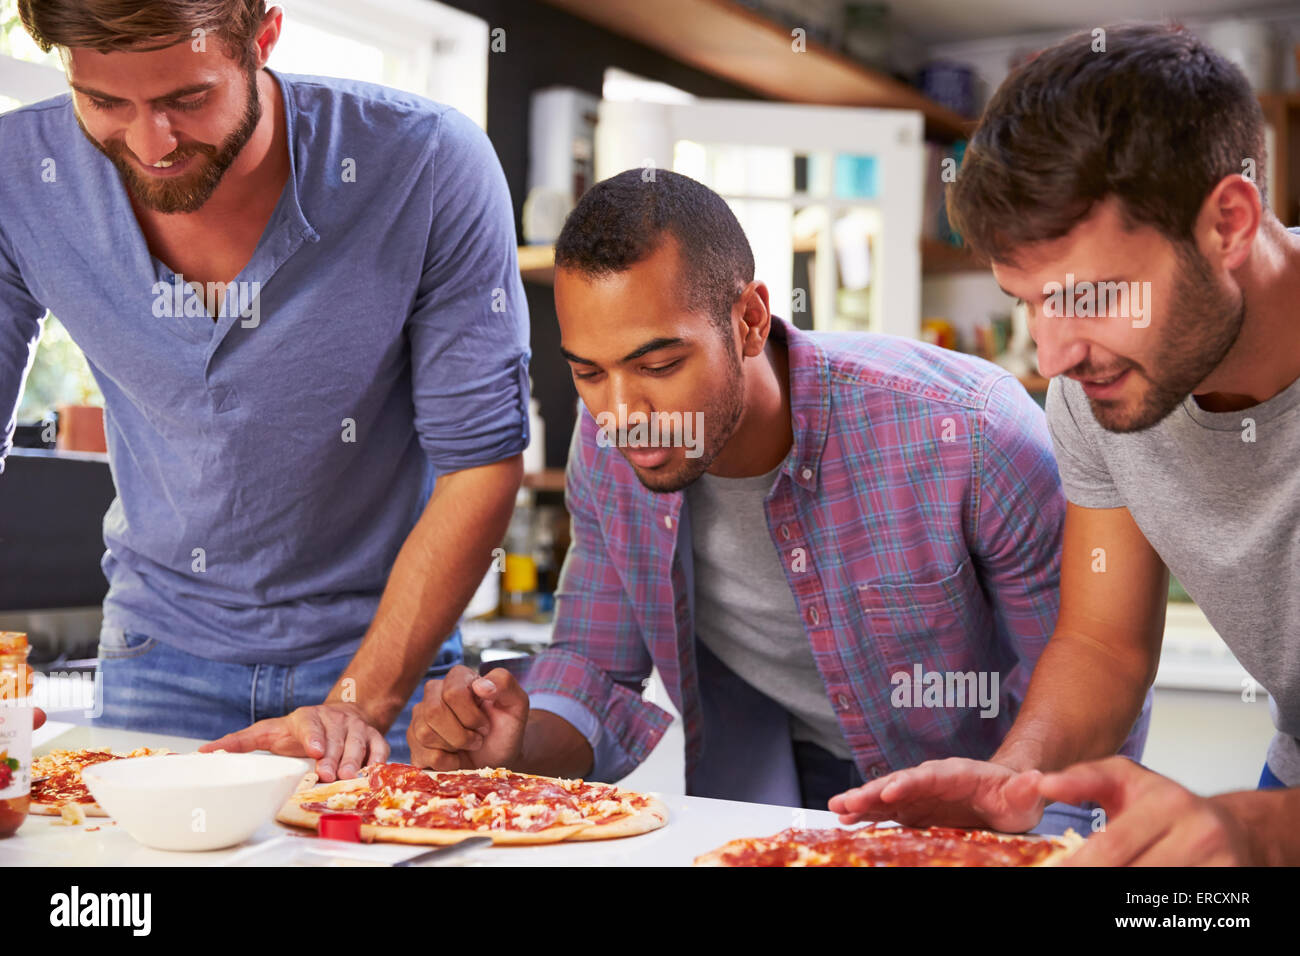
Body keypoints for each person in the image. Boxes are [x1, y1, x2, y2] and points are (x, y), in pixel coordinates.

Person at [405, 169, 1149, 826]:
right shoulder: (608, 449)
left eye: (658, 363)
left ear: (751, 320)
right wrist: (513, 743)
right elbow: (595, 670)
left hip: (988, 795)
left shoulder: (972, 433)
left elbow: (1086, 661)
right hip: (778, 801)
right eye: (589, 374)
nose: (622, 412)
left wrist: (1024, 823)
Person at [0, 1, 530, 781]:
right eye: (106, 102)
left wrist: (359, 701)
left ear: (264, 39)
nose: (151, 145)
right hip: (157, 657)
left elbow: (480, 459)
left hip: (382, 658)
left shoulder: (426, 162)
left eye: (188, 98)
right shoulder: (20, 177)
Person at [831, 23, 1300, 865]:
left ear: (1228, 223)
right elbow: (1104, 645)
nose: (1053, 357)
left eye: (1085, 296)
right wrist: (1018, 775)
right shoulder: (1095, 394)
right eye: (1029, 303)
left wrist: (1254, 833)